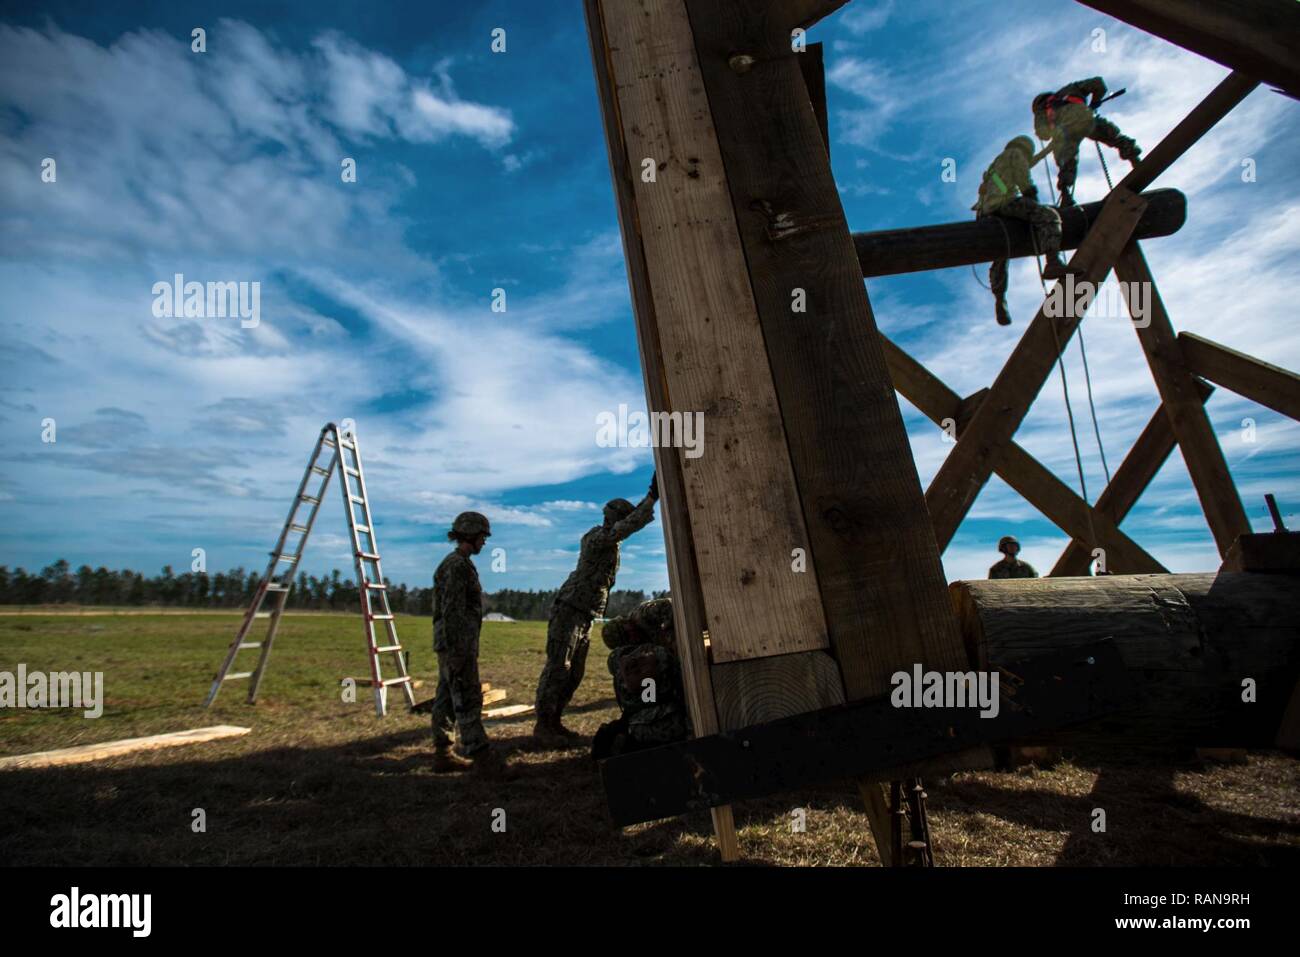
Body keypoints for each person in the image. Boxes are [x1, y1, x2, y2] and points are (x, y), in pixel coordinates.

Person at [534, 474, 659, 745]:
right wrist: (651, 500)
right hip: (570, 610)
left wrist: (651, 495)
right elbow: (624, 527)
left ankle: (555, 722)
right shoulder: (597, 538)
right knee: (559, 668)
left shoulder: (610, 537)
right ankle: (543, 726)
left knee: (574, 672)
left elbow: (627, 520)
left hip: (585, 614)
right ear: (613, 518)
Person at [973, 135, 1081, 326]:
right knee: (1049, 217)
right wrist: (1032, 196)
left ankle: (1000, 298)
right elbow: (1024, 176)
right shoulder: (1016, 155)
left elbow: (1031, 162)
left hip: (987, 212)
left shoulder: (997, 163)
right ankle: (1053, 261)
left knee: (1001, 255)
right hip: (1005, 204)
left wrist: (1048, 149)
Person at [430, 511, 493, 772]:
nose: (484, 542)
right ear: (471, 535)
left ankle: (443, 753)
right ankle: (482, 759)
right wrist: (458, 650)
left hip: (453, 644)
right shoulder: (457, 566)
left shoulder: (458, 562)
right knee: (467, 696)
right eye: (482, 537)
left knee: (446, 696)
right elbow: (453, 610)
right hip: (457, 645)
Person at [592, 597, 691, 761]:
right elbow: (650, 696)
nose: (633, 639)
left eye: (628, 635)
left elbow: (672, 607)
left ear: (626, 626)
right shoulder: (639, 658)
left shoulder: (643, 614)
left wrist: (673, 642)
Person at [1031, 78, 1141, 207]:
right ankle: (1135, 159)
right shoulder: (1071, 88)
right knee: (1114, 137)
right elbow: (1099, 84)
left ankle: (1066, 195)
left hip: (1065, 131)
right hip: (1085, 118)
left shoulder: (1042, 110)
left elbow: (1043, 135)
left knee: (1066, 161)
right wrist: (1094, 103)